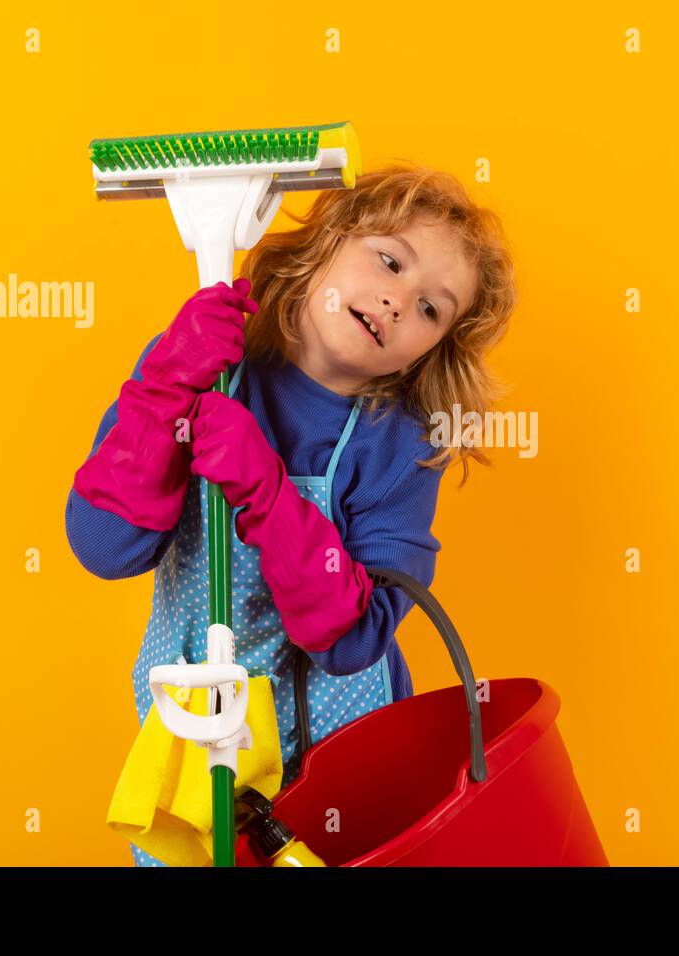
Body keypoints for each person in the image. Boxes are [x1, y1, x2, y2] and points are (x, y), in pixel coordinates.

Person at [65, 162, 516, 865]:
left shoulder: (401, 445)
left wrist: (267, 492)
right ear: (327, 242)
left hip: (334, 773)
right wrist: (160, 391)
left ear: (435, 346)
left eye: (432, 307)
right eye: (390, 261)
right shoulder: (200, 366)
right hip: (189, 752)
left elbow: (349, 638)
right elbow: (104, 545)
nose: (399, 300)